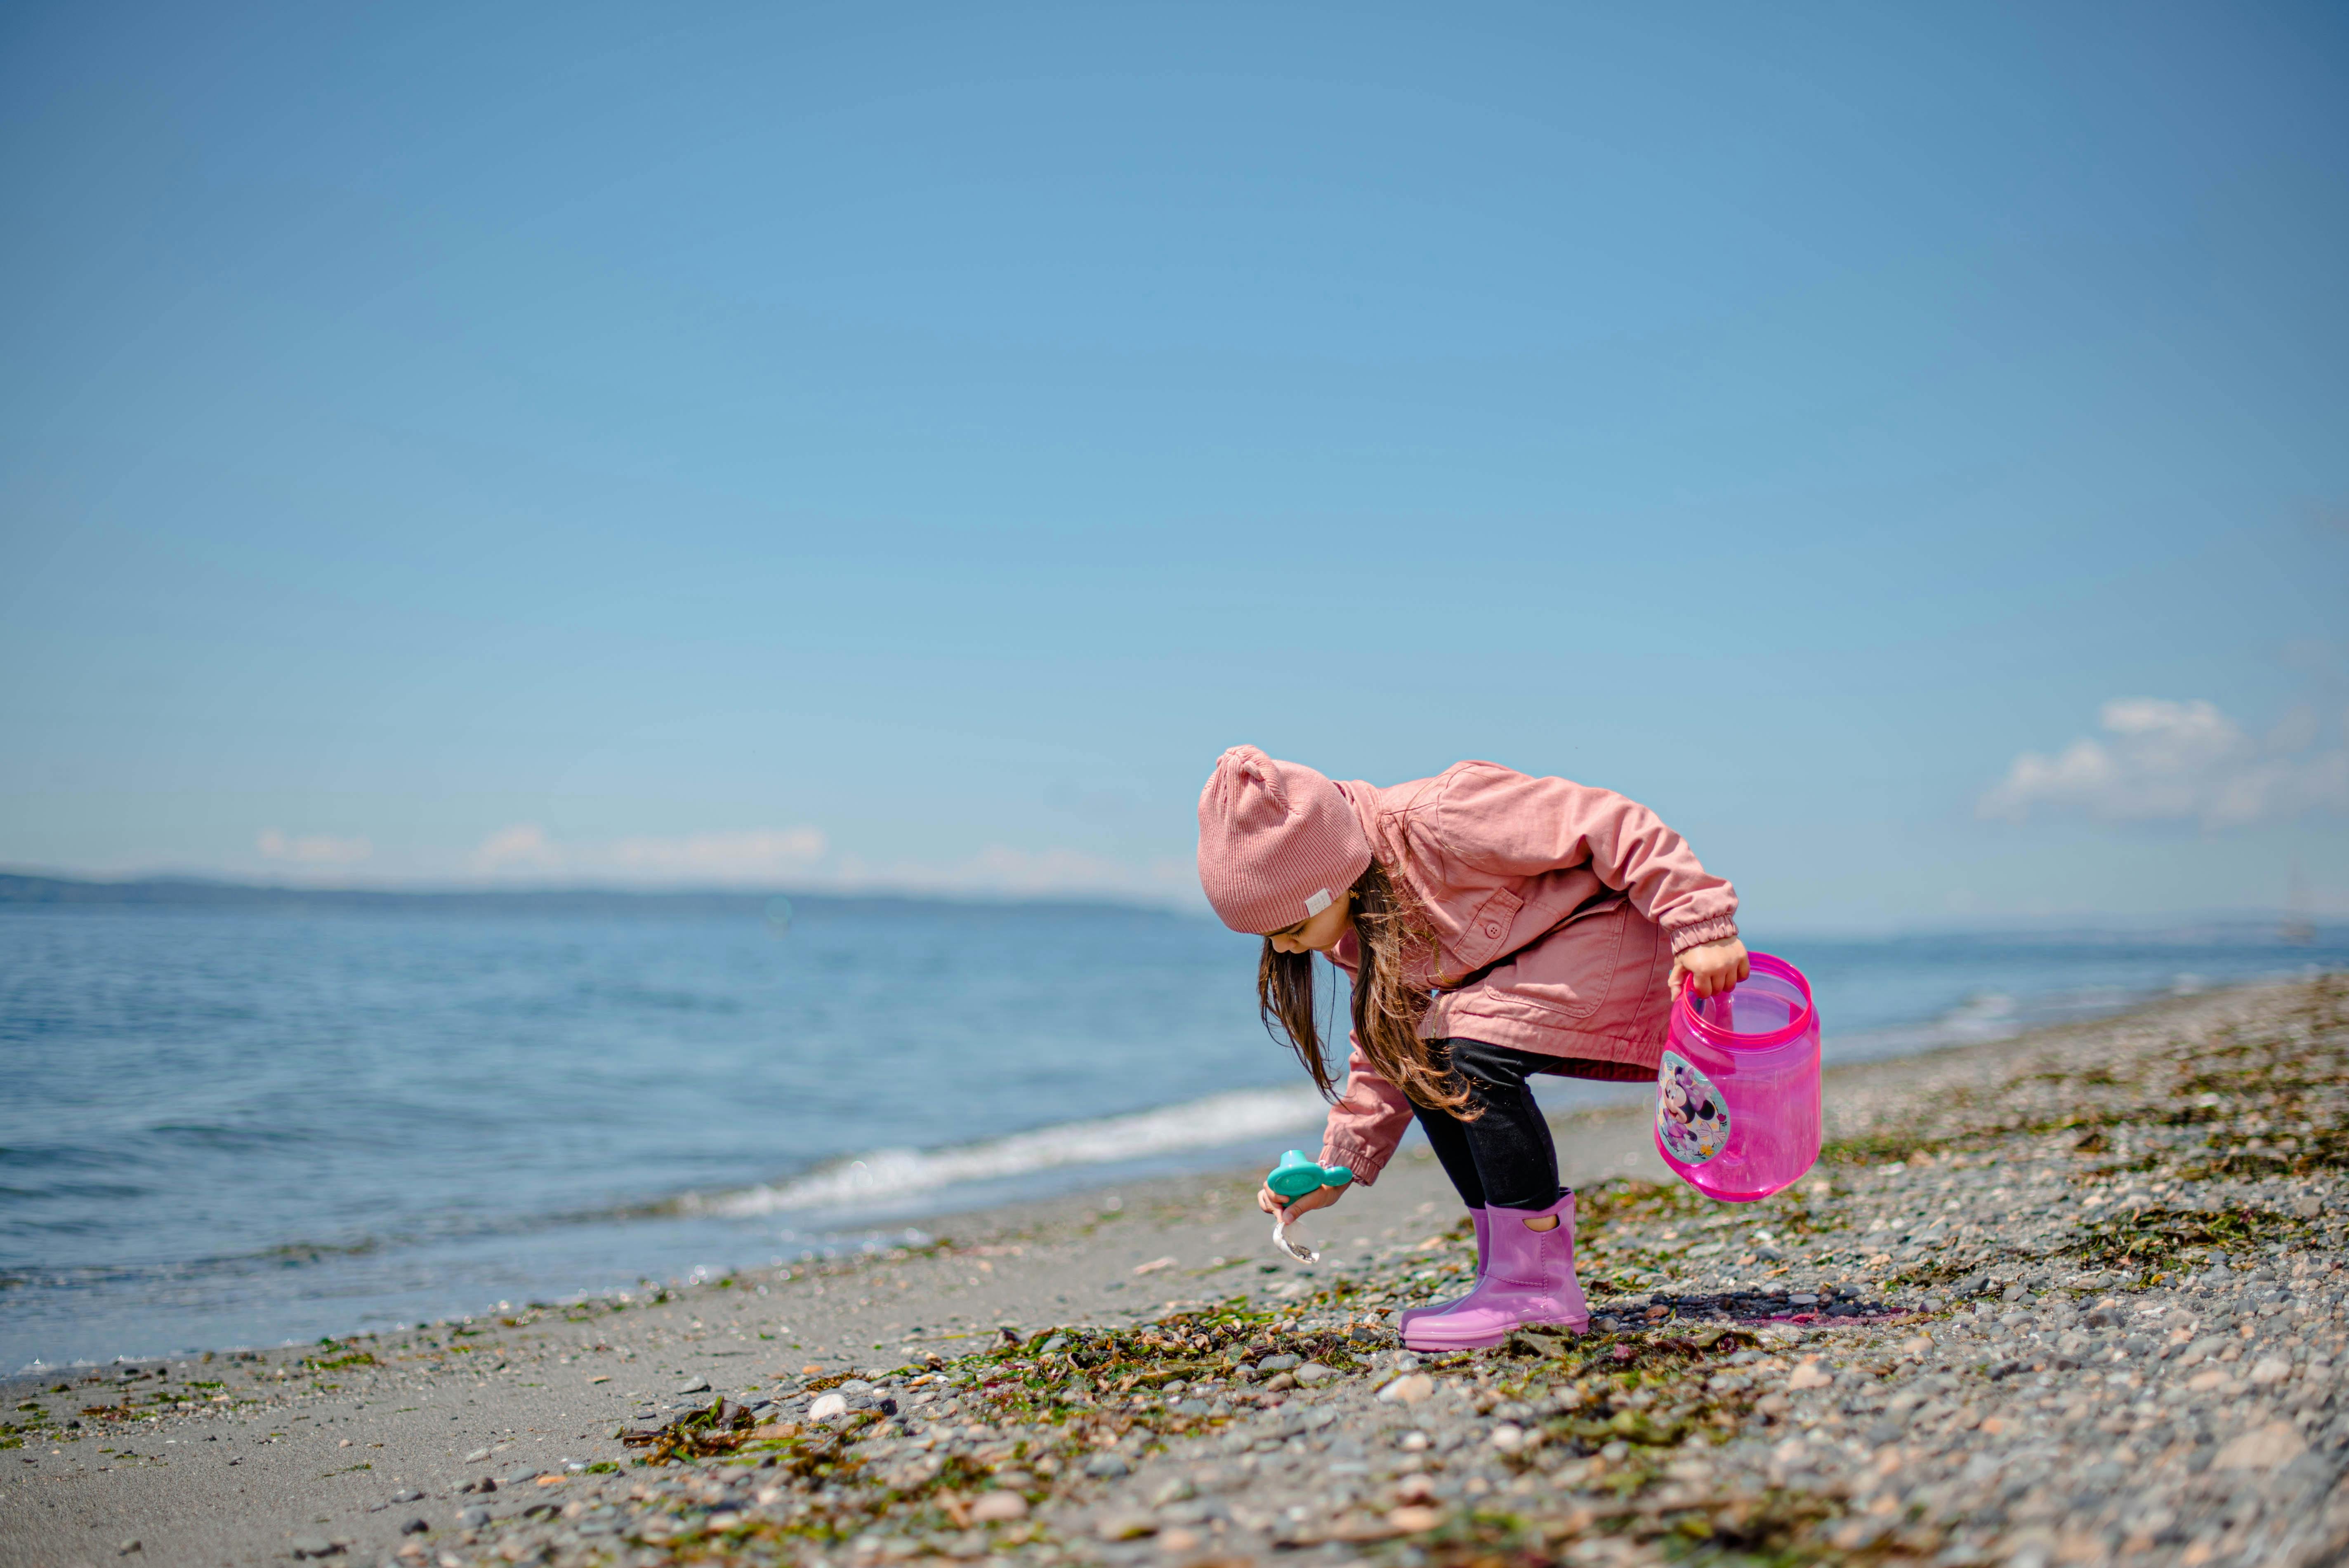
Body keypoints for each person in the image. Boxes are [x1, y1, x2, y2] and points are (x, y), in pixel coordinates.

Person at [1195, 745, 1747, 1350]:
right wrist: (1343, 1163)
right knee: (1421, 1055)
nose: (1291, 951)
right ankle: (1507, 1268)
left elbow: (1613, 821)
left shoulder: (1445, 815)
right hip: (1546, 977)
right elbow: (1385, 1043)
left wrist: (1701, 924)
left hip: (1624, 944)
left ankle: (1536, 1283)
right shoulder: (1357, 916)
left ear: (1329, 876)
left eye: (1292, 930)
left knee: (1463, 1048)